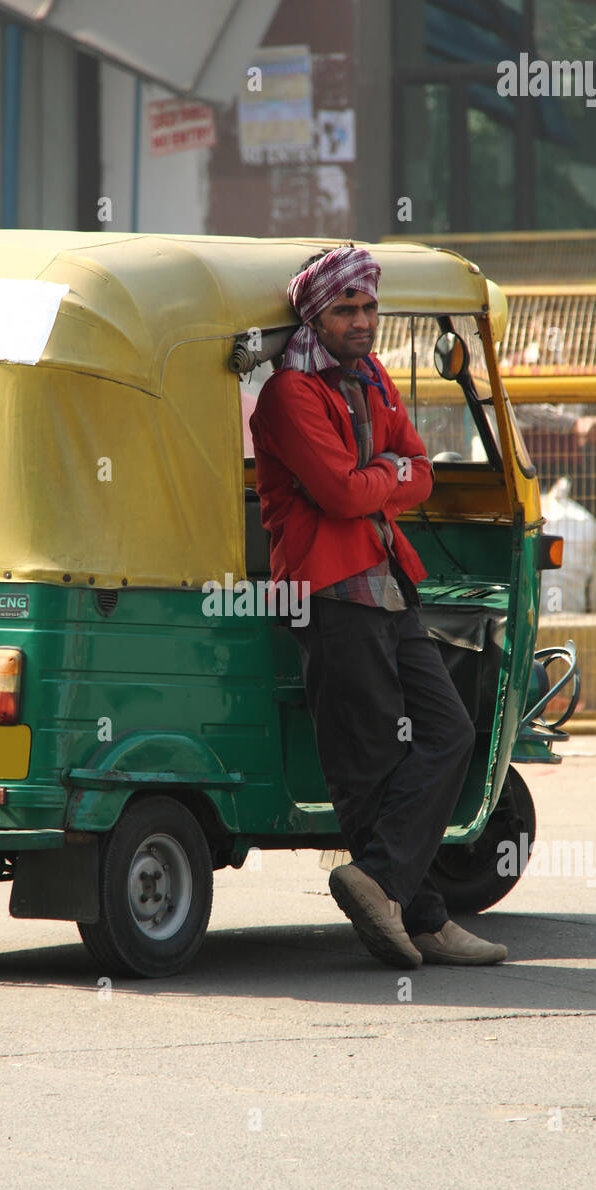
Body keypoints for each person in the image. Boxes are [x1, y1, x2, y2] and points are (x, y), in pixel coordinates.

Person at [250, 244, 507, 969]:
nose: (362, 321)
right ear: (316, 318)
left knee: (450, 731)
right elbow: (340, 494)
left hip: (388, 581)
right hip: (329, 589)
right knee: (369, 762)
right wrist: (387, 473)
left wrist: (384, 475)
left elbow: (420, 470)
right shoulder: (291, 394)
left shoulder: (371, 376)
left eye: (368, 307)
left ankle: (388, 887)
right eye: (346, 310)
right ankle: (421, 917)